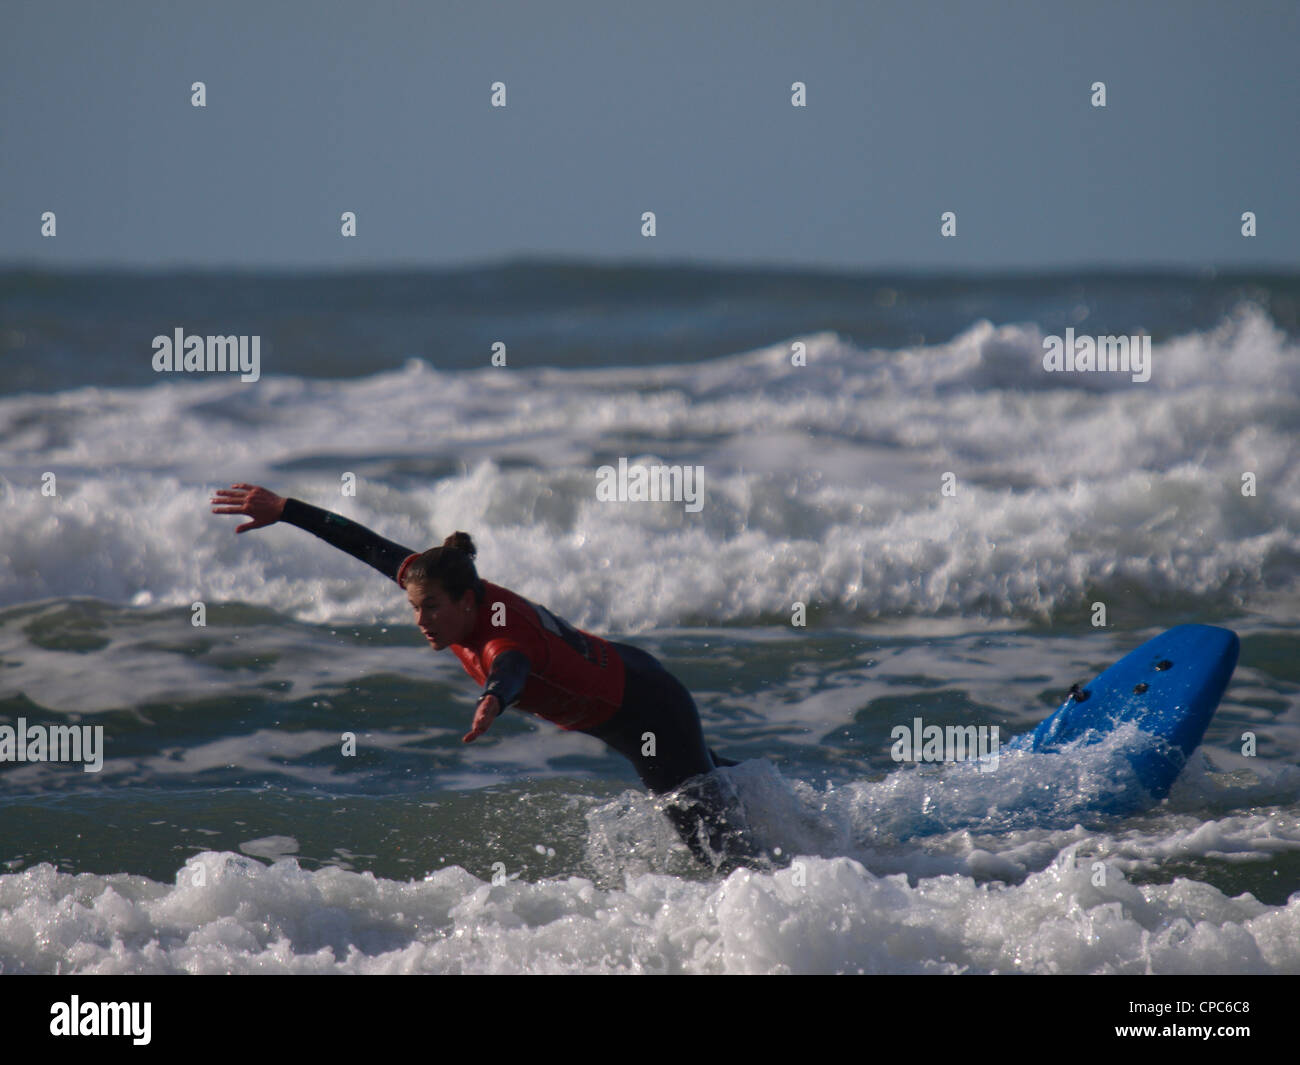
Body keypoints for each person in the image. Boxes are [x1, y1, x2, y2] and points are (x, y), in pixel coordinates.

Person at [210, 482, 760, 872]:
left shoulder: (498, 634)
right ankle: (812, 826)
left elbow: (511, 666)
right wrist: (285, 509)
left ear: (468, 604)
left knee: (724, 859)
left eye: (431, 610)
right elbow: (367, 545)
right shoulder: (441, 578)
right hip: (629, 678)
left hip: (650, 713)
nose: (421, 620)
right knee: (721, 789)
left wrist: (494, 700)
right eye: (414, 608)